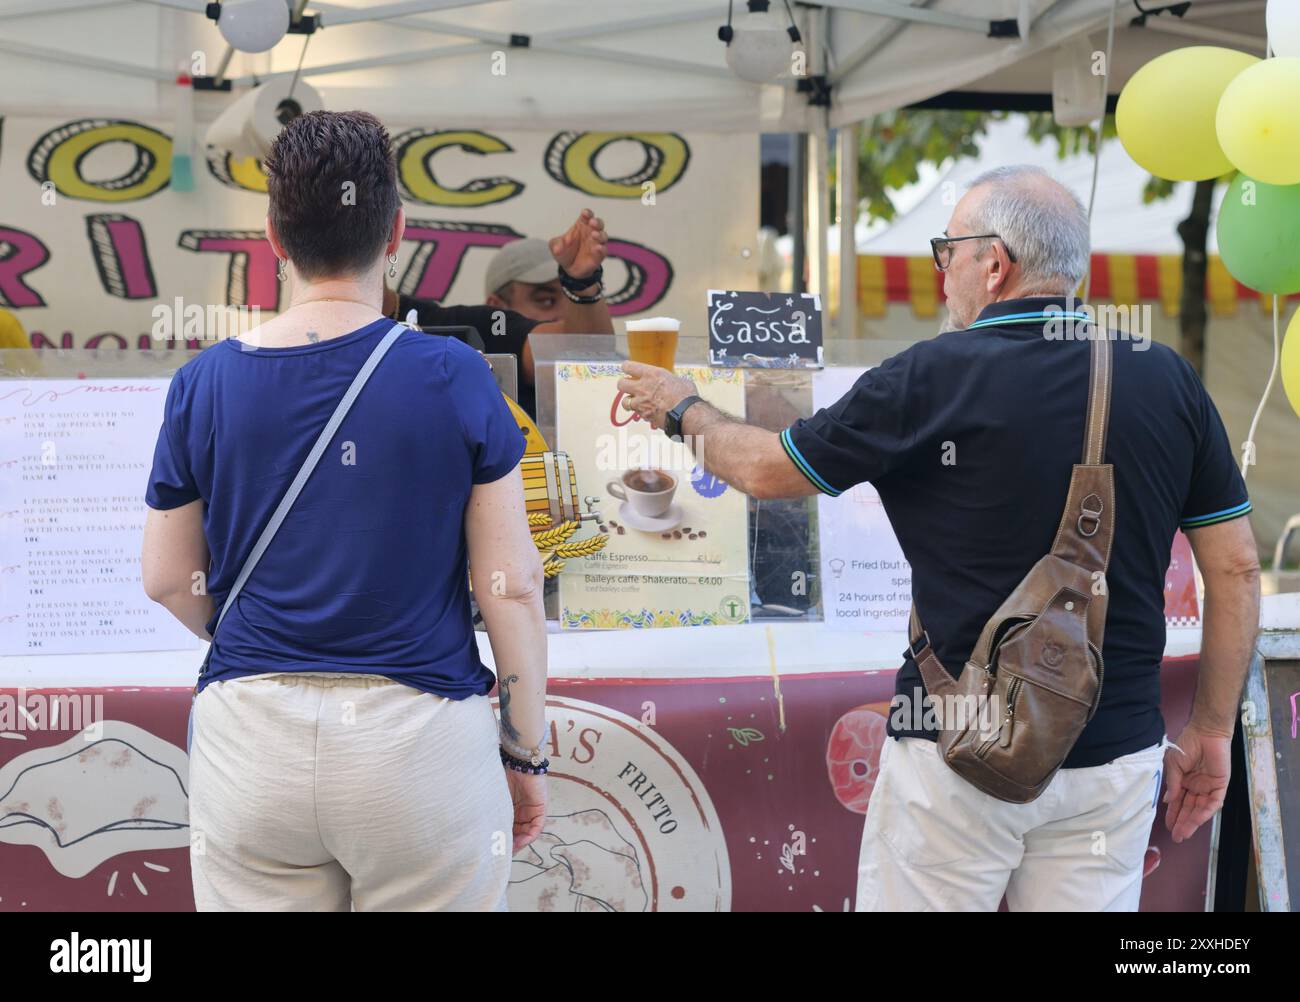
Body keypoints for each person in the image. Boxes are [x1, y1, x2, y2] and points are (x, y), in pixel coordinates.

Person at [617, 164, 1261, 912]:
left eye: (945, 250)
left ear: (995, 264)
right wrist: (1212, 727)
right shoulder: (1167, 377)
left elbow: (765, 470)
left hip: (953, 750)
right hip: (1115, 756)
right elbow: (1238, 569)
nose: (940, 271)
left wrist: (680, 408)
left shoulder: (928, 376)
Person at [141, 110, 549, 911]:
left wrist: (255, 629)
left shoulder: (203, 381)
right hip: (420, 747)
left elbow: (165, 577)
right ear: (396, 230)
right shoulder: (455, 375)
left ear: (273, 236)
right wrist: (525, 753)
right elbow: (512, 584)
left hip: (250, 742)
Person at [383, 219, 613, 418]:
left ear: (391, 233)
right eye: (545, 301)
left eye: (567, 296)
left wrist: (582, 283)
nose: (563, 315)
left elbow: (586, 356)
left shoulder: (470, 331)